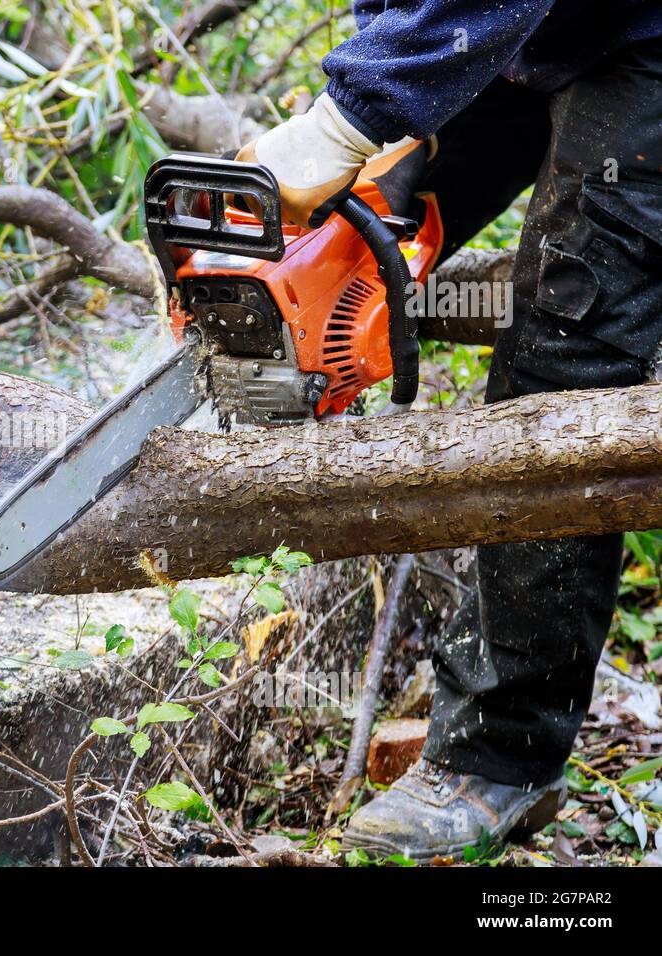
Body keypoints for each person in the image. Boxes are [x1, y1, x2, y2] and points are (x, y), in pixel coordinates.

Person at [236, 0, 662, 860]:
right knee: (366, 224)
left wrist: (345, 116)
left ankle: (500, 758)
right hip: (517, 31)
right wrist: (393, 113)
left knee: (562, 355)